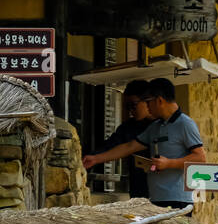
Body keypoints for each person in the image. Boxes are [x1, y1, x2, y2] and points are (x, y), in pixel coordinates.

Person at [81, 78, 206, 210]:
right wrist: (96, 159)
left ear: (159, 100)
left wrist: (169, 163)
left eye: (148, 102)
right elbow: (129, 146)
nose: (147, 106)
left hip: (177, 199)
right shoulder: (155, 127)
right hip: (155, 199)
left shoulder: (185, 124)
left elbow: (200, 158)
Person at [88, 80, 152, 198]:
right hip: (138, 191)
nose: (130, 110)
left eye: (133, 105)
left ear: (148, 101)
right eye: (126, 106)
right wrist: (93, 158)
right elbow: (114, 146)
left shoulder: (164, 126)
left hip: (166, 192)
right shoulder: (128, 127)